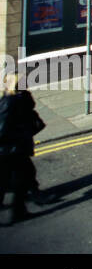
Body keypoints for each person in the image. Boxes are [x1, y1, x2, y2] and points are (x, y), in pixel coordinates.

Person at [0, 73, 47, 222]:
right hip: (12, 148)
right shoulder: (11, 102)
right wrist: (21, 134)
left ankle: (24, 205)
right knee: (22, 177)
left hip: (13, 148)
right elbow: (2, 129)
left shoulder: (16, 98)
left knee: (9, 178)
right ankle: (20, 210)